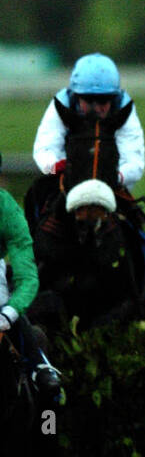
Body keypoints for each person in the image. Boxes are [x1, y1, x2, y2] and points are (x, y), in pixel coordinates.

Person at [32, 53, 145, 309]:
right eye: (89, 100)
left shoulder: (125, 110)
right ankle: (25, 258)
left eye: (103, 100)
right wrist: (58, 167)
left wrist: (112, 177)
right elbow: (44, 149)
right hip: (69, 174)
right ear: (76, 96)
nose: (96, 107)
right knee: (35, 196)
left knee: (136, 216)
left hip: (109, 180)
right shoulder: (60, 105)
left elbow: (134, 161)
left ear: (114, 98)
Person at [0, 156, 62, 405]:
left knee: (50, 390)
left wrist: (8, 315)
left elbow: (27, 277)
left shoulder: (6, 208)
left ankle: (41, 373)